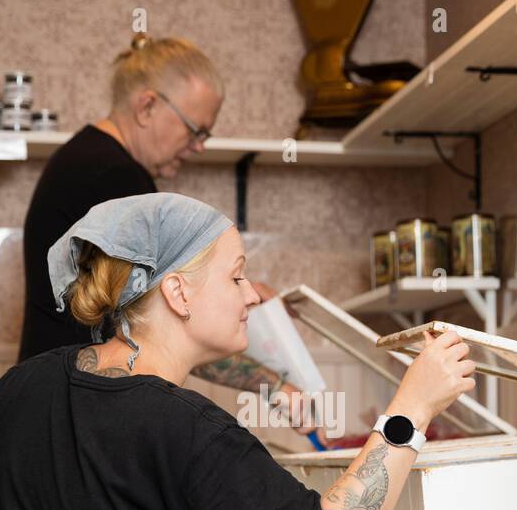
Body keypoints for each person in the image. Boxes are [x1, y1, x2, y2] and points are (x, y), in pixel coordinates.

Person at [0, 193, 474, 510]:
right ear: (178, 293)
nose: (251, 294)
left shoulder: (17, 388)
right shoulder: (189, 429)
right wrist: (412, 409)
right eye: (238, 274)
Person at [18, 33, 314, 429]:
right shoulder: (117, 177)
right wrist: (274, 386)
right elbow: (164, 321)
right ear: (147, 107)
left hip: (49, 404)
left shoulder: (83, 160)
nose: (199, 147)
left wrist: (239, 284)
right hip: (75, 414)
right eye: (196, 130)